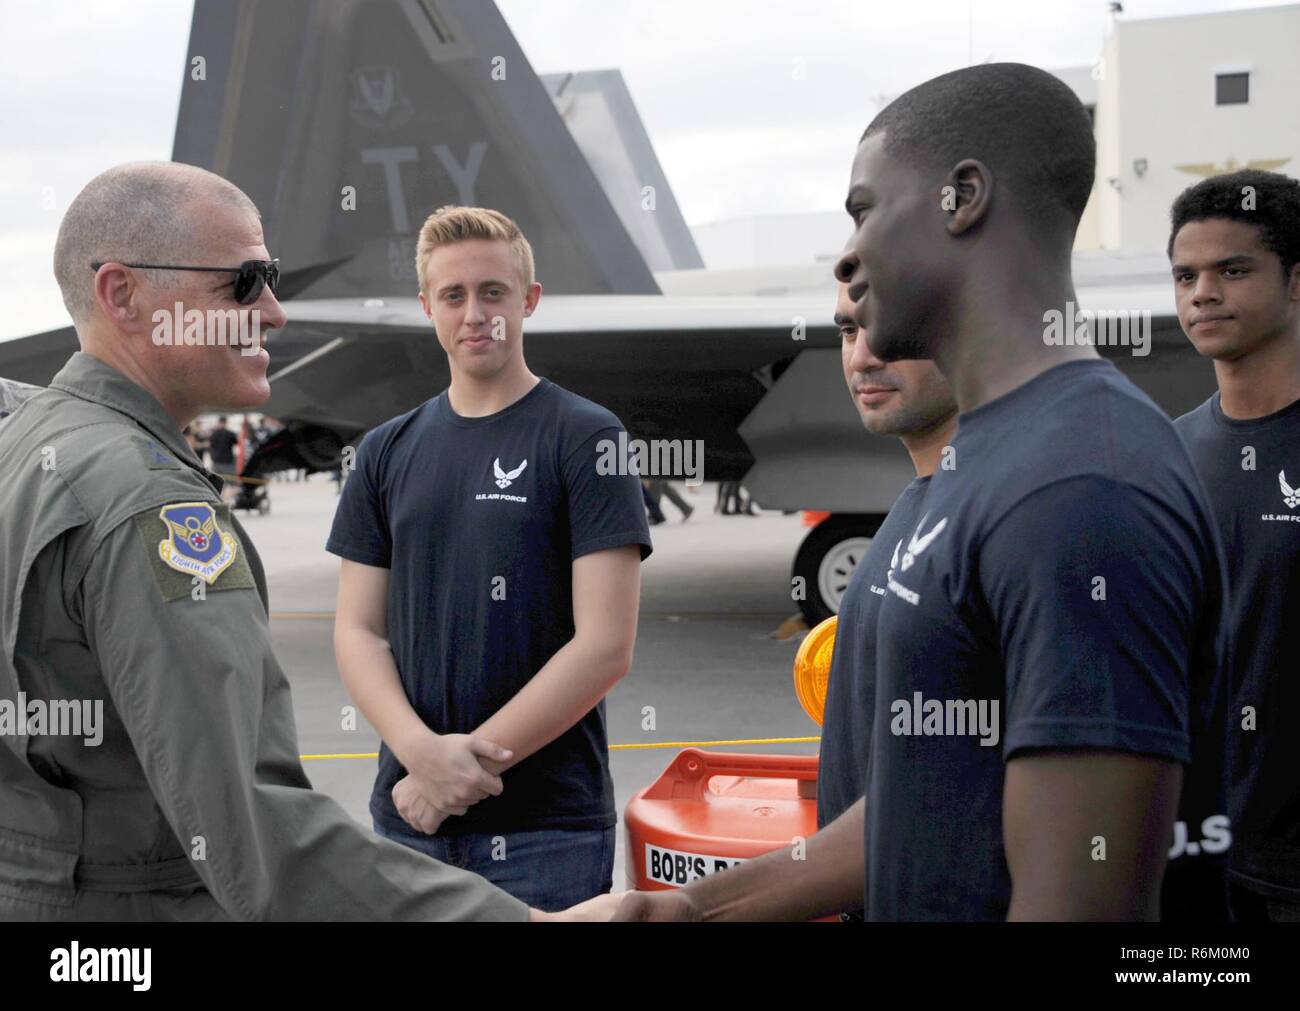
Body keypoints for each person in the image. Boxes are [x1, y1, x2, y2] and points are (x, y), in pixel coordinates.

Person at [617, 62, 1229, 922]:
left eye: (864, 210)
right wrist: (677, 912)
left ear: (962, 198)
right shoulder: (974, 470)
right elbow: (921, 808)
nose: (847, 254)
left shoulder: (1080, 483)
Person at [0, 160, 585, 921]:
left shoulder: (34, 441)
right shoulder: (145, 502)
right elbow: (259, 837)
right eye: (242, 283)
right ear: (122, 294)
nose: (273, 311)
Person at [327, 205, 652, 912]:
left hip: (546, 832)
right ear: (427, 308)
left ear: (528, 299)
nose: (476, 313)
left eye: (494, 291)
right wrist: (420, 753)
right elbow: (357, 629)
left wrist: (460, 769)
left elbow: (604, 645)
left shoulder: (588, 437)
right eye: (454, 295)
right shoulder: (385, 451)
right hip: (407, 821)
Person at [1168, 168, 1300, 922]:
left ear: (1295, 282)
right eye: (1186, 275)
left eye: (1233, 270)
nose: (1202, 293)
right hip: (1187, 858)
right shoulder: (1164, 455)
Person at [816, 282, 957, 919]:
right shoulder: (913, 507)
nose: (862, 356)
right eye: (848, 330)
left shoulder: (1007, 523)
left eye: (889, 328)